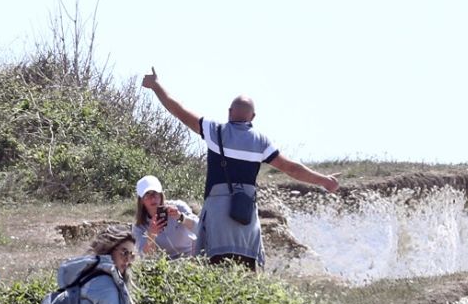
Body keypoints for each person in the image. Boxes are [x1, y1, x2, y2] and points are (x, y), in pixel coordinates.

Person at [140, 68, 339, 268]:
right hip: (245, 218)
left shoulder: (215, 131)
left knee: (212, 266)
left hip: (217, 219)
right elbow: (292, 168)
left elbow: (179, 111)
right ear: (252, 117)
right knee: (246, 268)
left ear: (229, 113)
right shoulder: (261, 142)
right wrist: (324, 180)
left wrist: (156, 86)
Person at [131, 174, 198, 259]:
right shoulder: (139, 226)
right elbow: (145, 256)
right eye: (147, 195)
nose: (153, 199)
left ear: (161, 194)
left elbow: (199, 227)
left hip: (191, 257)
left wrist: (181, 217)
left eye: (155, 193)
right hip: (166, 264)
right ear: (141, 200)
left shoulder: (179, 207)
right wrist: (151, 235)